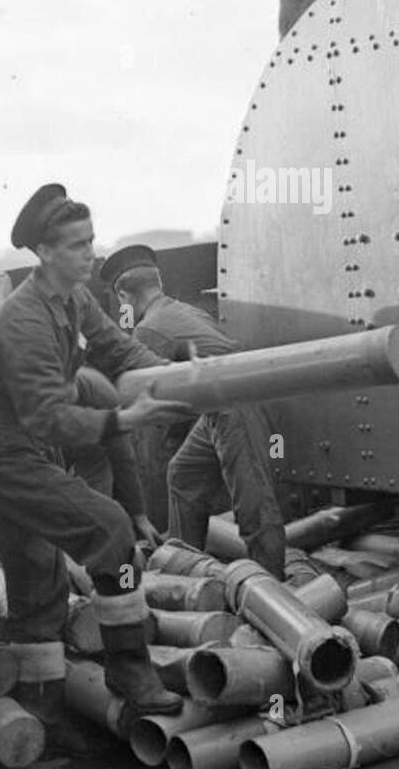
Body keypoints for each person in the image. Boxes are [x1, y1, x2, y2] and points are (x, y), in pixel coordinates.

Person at [0, 185, 192, 748]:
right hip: (3, 452)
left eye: (91, 241)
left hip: (27, 449)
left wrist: (174, 375)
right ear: (44, 253)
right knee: (110, 527)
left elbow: (118, 349)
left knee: (35, 574)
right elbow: (49, 418)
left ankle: (43, 712)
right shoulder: (23, 320)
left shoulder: (75, 299)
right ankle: (128, 668)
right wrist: (123, 420)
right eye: (75, 246)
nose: (90, 253)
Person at [101, 245, 286, 579]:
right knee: (184, 474)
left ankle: (275, 592)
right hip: (218, 406)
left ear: (124, 297)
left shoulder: (149, 329)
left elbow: (145, 398)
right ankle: (187, 570)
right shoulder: (185, 311)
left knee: (254, 505)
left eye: (121, 303)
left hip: (235, 403)